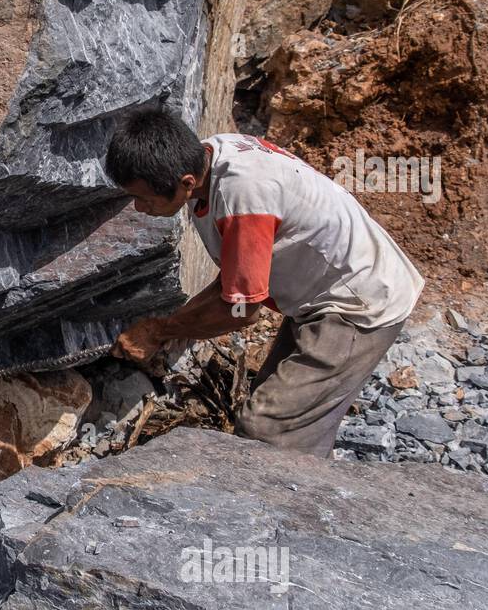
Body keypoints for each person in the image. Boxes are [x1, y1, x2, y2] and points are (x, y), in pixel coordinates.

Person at [105, 108, 424, 458]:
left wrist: (158, 331)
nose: (138, 207)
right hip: (325, 291)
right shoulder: (211, 157)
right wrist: (171, 327)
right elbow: (234, 281)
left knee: (267, 430)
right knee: (286, 415)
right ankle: (313, 481)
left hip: (360, 303)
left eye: (145, 198)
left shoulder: (243, 198)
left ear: (185, 183)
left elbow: (240, 311)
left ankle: (304, 507)